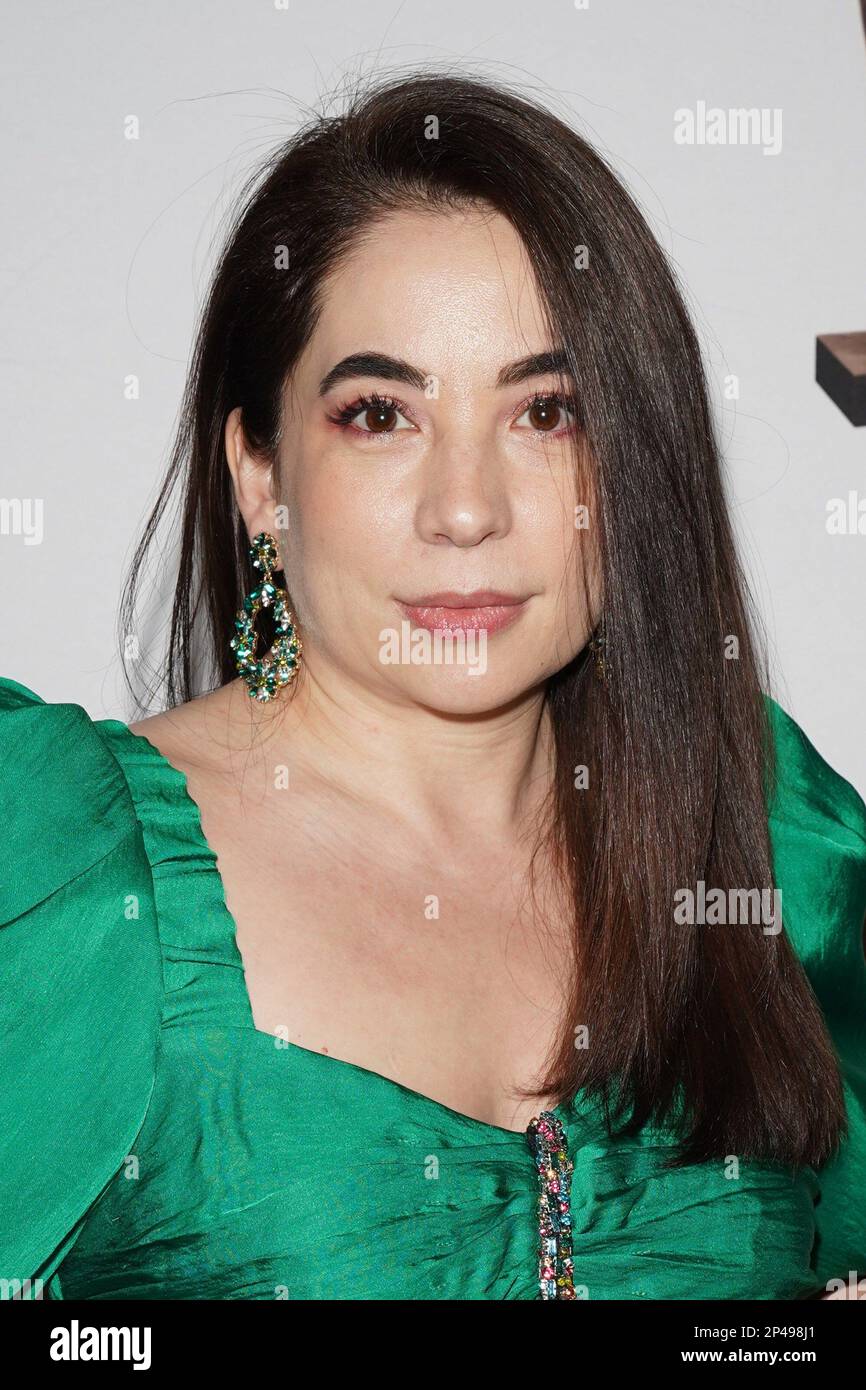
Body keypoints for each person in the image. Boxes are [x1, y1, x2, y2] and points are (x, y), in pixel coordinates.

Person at [2, 69, 865, 1302]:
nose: (466, 509)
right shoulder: (63, 868)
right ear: (257, 472)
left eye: (546, 412)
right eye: (378, 415)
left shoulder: (759, 840)